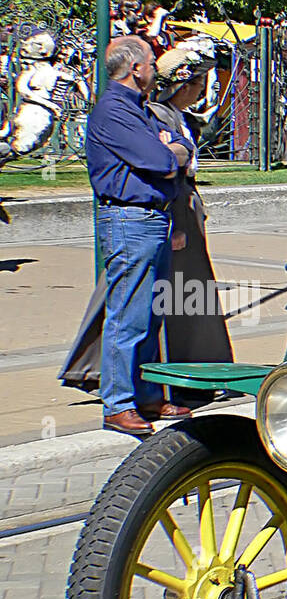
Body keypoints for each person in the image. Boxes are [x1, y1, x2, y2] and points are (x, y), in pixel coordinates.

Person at [80, 36, 193, 437]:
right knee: (128, 316)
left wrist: (174, 150)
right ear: (135, 69)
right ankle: (118, 404)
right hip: (130, 221)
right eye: (150, 62)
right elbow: (163, 160)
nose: (155, 69)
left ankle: (146, 394)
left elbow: (180, 148)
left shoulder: (139, 110)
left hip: (152, 220)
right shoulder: (114, 112)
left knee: (150, 315)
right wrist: (173, 153)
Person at [148, 45, 234, 395]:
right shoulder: (158, 115)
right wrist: (178, 223)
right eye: (199, 83)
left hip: (186, 207)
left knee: (191, 293)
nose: (202, 90)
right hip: (174, 210)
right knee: (180, 294)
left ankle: (199, 367)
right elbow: (167, 166)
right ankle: (182, 373)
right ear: (182, 85)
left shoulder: (179, 117)